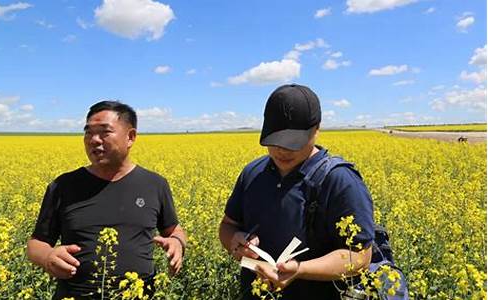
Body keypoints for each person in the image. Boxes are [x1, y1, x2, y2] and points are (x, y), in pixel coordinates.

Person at [219, 84, 375, 299]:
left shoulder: (340, 181)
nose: (282, 150)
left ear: (316, 129)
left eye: (294, 143)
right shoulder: (253, 172)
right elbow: (228, 225)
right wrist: (235, 241)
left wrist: (299, 270)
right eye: (275, 142)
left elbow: (360, 256)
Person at [27, 101, 186, 299]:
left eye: (104, 132)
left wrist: (177, 242)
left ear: (130, 137)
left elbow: (174, 229)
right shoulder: (63, 186)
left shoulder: (155, 184)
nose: (94, 140)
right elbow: (36, 243)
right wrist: (47, 257)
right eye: (88, 132)